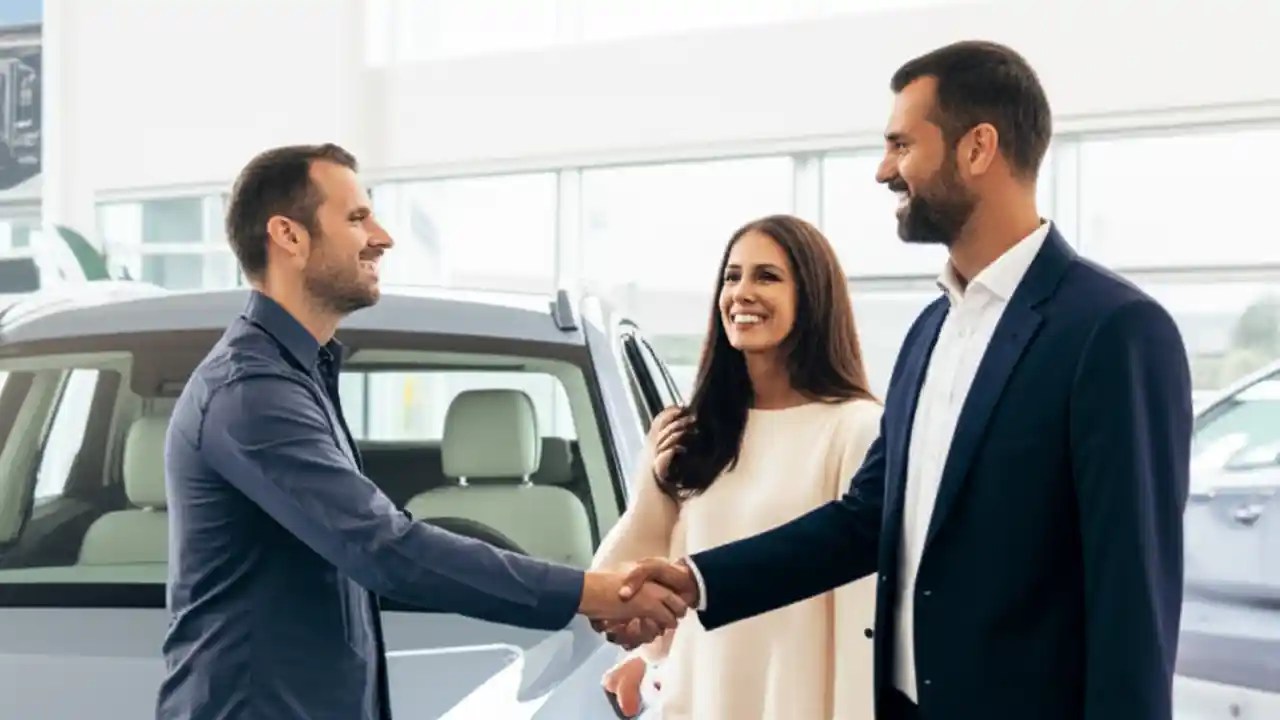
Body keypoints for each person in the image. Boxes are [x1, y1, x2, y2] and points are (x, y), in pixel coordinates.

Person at [610, 40, 1193, 720]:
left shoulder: (1113, 331)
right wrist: (696, 580)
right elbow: (865, 522)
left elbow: (1134, 601)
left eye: (901, 145)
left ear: (978, 148)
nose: (884, 170)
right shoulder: (929, 332)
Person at [156, 143, 686, 720]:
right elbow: (385, 549)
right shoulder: (251, 393)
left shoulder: (296, 373)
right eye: (357, 218)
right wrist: (596, 591)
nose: (383, 237)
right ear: (288, 235)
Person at [593, 215, 883, 719]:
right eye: (732, 277)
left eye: (766, 277)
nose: (741, 293)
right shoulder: (688, 432)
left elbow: (862, 621)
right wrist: (655, 491)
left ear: (813, 296)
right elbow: (620, 594)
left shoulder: (856, 429)